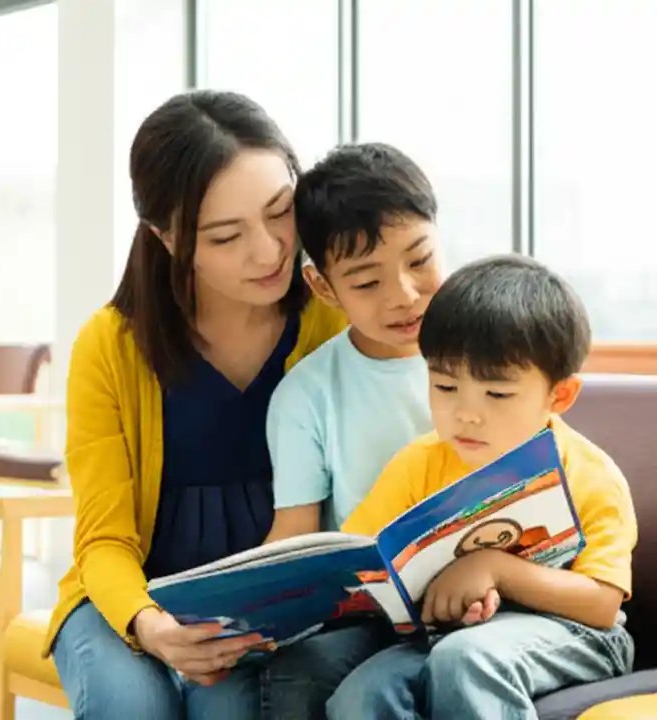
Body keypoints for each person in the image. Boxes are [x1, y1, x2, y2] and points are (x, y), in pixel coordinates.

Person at [43, 89, 366, 720]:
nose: (270, 250)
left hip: (280, 608)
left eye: (281, 211)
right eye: (225, 236)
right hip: (130, 595)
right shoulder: (111, 347)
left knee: (235, 707)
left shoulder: (336, 318)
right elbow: (104, 539)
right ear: (166, 237)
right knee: (132, 704)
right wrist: (151, 626)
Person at [328, 255, 637, 719]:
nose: (466, 414)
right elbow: (359, 559)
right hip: (452, 632)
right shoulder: (420, 462)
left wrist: (494, 568)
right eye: (445, 387)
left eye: (496, 394)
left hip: (580, 635)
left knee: (466, 658)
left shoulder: (590, 473)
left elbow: (600, 604)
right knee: (362, 693)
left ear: (560, 396)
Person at [264, 143, 443, 539]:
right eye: (367, 283)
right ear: (323, 287)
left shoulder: (492, 351)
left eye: (419, 261)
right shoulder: (307, 395)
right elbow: (294, 535)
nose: (404, 296)